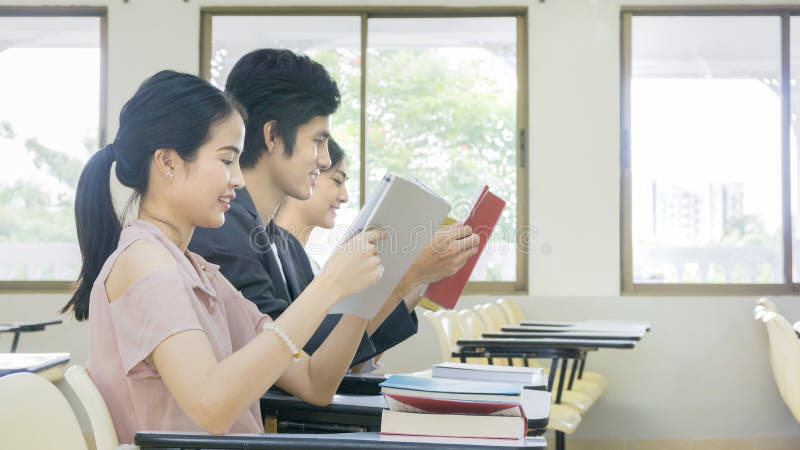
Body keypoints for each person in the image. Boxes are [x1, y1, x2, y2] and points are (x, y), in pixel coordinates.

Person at [61, 70, 385, 444]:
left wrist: (366, 291)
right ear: (168, 161)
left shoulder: (197, 271)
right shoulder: (145, 262)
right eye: (227, 160)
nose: (239, 180)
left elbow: (315, 382)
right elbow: (212, 406)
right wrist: (329, 286)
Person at [189, 49, 480, 369]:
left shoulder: (286, 245)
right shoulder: (222, 233)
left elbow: (332, 352)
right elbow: (292, 357)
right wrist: (406, 276)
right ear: (272, 135)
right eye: (317, 140)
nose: (325, 159)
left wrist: (413, 280)